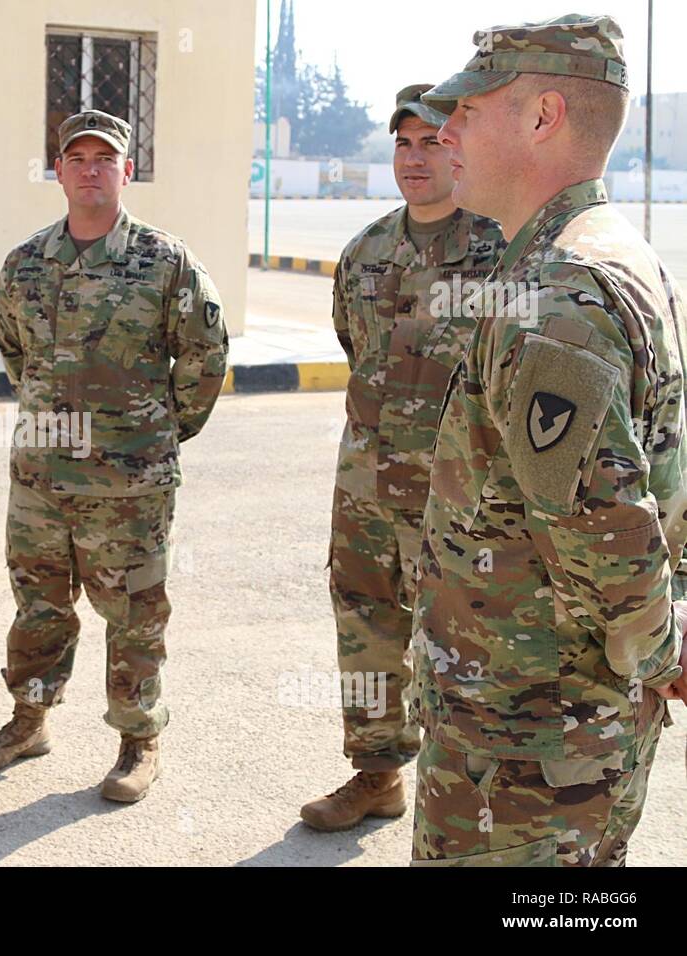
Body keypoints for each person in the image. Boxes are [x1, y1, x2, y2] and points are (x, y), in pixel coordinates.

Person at [413, 13, 687, 865]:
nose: (445, 129)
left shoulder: (558, 291)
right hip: (560, 731)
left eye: (468, 108)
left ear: (542, 117)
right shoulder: (607, 251)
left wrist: (662, 649)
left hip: (525, 749)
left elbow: (604, 531)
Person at [0, 109, 228, 802]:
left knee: (135, 611)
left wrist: (158, 434)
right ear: (59, 171)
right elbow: (14, 352)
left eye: (103, 158)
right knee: (38, 606)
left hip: (130, 480)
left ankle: (138, 741)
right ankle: (29, 720)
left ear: (125, 171)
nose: (90, 169)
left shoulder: (164, 261)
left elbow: (205, 357)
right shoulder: (24, 264)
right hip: (41, 478)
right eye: (76, 158)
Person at [300, 85, 504, 832]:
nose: (415, 159)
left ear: (459, 150)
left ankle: (472, 800)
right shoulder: (365, 252)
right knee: (364, 627)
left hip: (459, 494)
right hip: (364, 484)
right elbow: (356, 349)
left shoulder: (499, 253)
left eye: (432, 142)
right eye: (403, 144)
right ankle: (376, 773)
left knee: (462, 640)